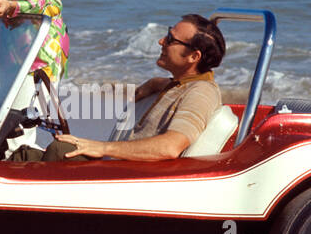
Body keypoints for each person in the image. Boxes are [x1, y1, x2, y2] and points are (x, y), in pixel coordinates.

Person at [38, 14, 226, 161]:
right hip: (119, 165)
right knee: (24, 155)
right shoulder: (181, 85)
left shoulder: (201, 93)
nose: (161, 41)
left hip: (127, 177)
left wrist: (101, 147)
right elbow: (177, 88)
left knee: (59, 149)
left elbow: (170, 146)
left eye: (170, 38)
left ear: (194, 57)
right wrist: (156, 83)